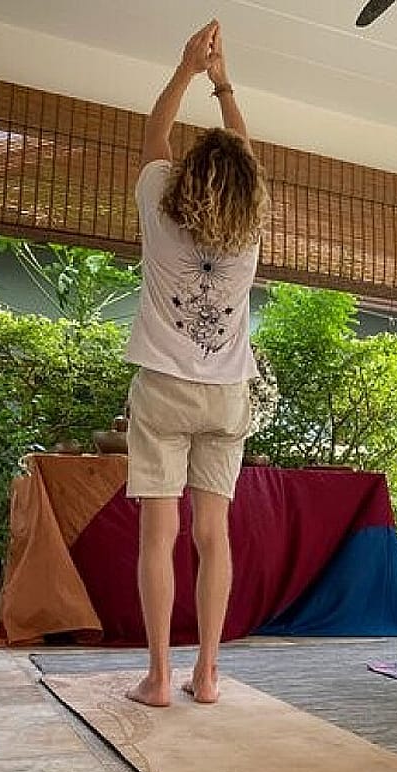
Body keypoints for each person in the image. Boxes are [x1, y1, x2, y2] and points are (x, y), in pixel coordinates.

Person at [125, 19, 268, 707]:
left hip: (164, 391)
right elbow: (247, 155)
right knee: (215, 535)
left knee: (160, 534)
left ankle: (158, 677)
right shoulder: (250, 235)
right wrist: (224, 84)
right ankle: (207, 674)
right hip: (227, 394)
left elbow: (155, 135)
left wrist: (187, 70)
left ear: (187, 177)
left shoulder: (160, 207)